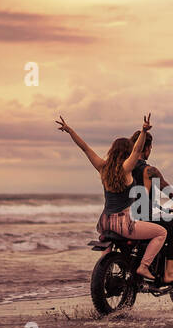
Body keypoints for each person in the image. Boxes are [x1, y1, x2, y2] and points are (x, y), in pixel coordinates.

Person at [56, 113, 165, 281]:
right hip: (123, 223)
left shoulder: (102, 167)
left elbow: (85, 148)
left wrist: (70, 131)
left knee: (108, 248)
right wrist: (143, 131)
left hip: (104, 221)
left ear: (112, 151)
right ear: (127, 153)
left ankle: (104, 272)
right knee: (161, 232)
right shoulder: (126, 168)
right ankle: (143, 267)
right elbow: (137, 150)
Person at [128, 130, 173, 284]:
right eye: (150, 148)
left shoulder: (124, 168)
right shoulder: (149, 170)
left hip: (124, 218)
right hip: (143, 219)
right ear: (146, 148)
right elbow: (169, 191)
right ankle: (169, 271)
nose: (150, 151)